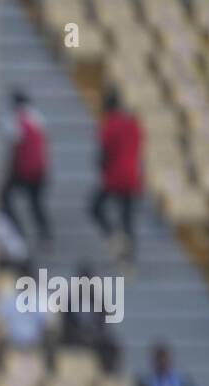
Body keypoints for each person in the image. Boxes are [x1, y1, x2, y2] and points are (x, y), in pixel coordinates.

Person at [90, 90, 142, 264]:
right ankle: (128, 259)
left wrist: (102, 168)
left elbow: (104, 153)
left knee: (95, 207)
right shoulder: (132, 124)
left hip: (115, 176)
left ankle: (114, 237)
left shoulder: (109, 125)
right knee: (127, 219)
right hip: (132, 176)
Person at [0, 89, 51, 249]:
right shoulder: (38, 117)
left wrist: (8, 171)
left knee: (4, 198)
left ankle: (18, 232)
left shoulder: (14, 119)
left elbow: (14, 147)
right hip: (39, 169)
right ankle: (46, 237)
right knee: (36, 204)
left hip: (23, 169)